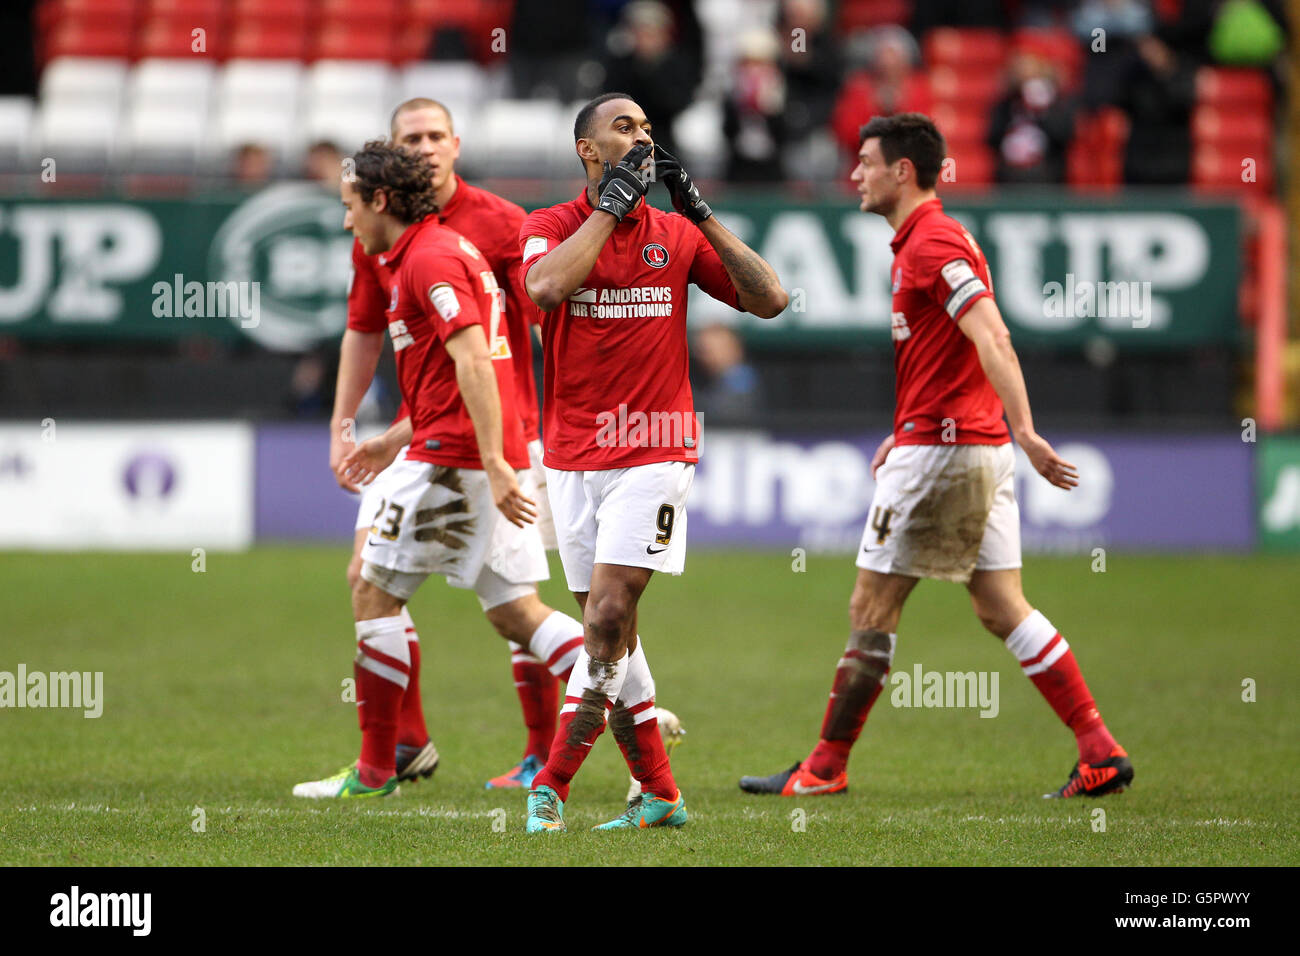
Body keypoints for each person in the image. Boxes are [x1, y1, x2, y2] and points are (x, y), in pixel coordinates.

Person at [739, 113, 1134, 801]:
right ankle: (1099, 748)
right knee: (999, 604)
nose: (854, 174)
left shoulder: (932, 243)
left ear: (902, 170)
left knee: (872, 604)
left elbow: (994, 337)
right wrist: (914, 423)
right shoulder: (925, 241)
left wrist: (1028, 429)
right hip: (961, 443)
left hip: (947, 455)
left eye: (864, 162)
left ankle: (826, 766)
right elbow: (954, 355)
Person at [519, 92, 789, 831]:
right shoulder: (548, 227)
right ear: (588, 149)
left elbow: (771, 300)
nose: (642, 136)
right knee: (614, 633)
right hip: (572, 455)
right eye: (624, 127)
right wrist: (608, 208)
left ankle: (553, 782)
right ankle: (662, 794)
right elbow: (544, 289)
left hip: (655, 444)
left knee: (606, 613)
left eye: (646, 125)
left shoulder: (674, 233)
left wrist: (699, 211)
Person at [292, 139, 591, 799]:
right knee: (515, 612)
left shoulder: (427, 258)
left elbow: (476, 361)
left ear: (379, 199)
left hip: (454, 461)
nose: (347, 222)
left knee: (372, 591)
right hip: (463, 450)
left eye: (349, 207)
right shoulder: (429, 253)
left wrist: (491, 460)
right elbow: (448, 377)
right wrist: (393, 440)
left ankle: (375, 771)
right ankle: (635, 703)